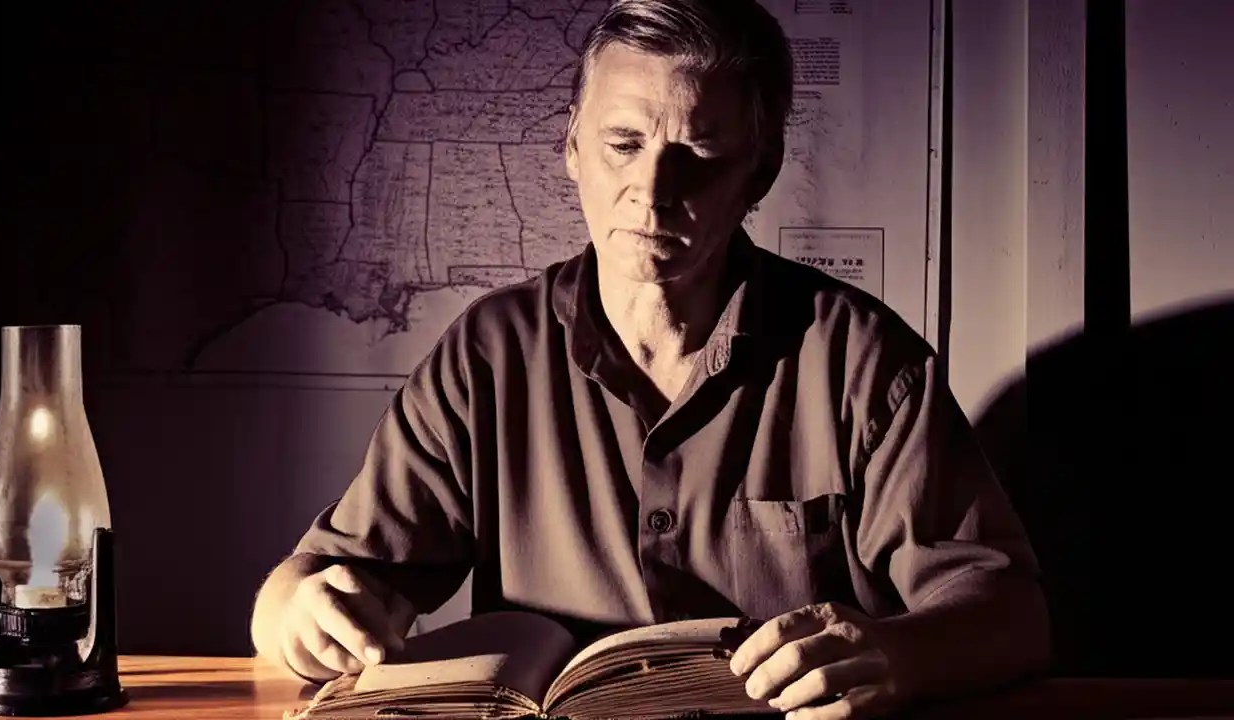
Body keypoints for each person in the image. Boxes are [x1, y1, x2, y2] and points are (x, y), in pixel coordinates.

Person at [250, 0, 1051, 716]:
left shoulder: (862, 359)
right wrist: (295, 611)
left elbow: (1010, 614)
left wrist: (901, 654)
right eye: (623, 144)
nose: (652, 191)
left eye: (698, 155)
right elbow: (322, 579)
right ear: (571, 149)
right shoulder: (487, 354)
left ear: (760, 171)